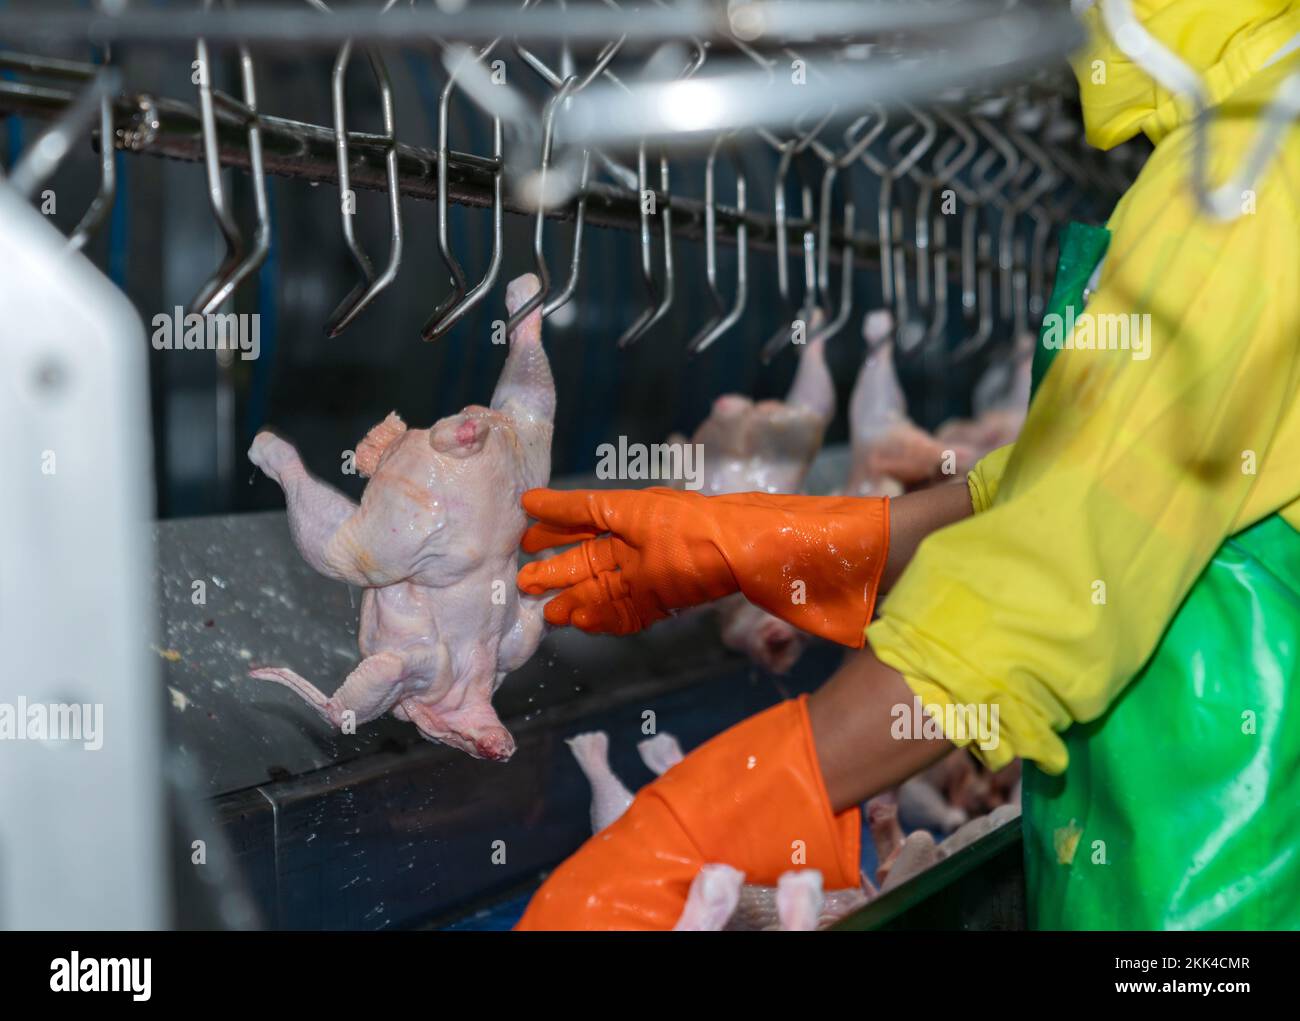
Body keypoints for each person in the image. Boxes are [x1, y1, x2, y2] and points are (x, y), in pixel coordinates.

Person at [514, 0, 1300, 931]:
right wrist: (803, 544)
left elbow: (1058, 572)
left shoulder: (1250, 172)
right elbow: (1109, 481)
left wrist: (706, 818)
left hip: (1227, 891)